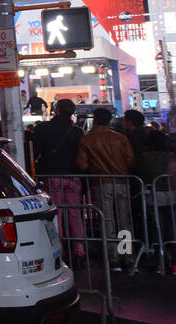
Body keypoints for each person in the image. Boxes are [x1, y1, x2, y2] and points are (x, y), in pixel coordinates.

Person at [77, 107, 137, 271]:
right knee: (124, 219)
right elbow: (131, 161)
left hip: (101, 182)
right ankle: (127, 256)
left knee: (108, 220)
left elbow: (82, 164)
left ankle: (113, 258)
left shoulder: (87, 140)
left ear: (94, 120)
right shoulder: (121, 138)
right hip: (122, 181)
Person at [33, 98, 86, 262]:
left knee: (57, 214)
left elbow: (35, 152)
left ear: (56, 111)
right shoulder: (77, 132)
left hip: (52, 175)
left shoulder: (43, 129)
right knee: (75, 213)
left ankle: (59, 249)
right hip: (73, 177)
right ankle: (79, 250)